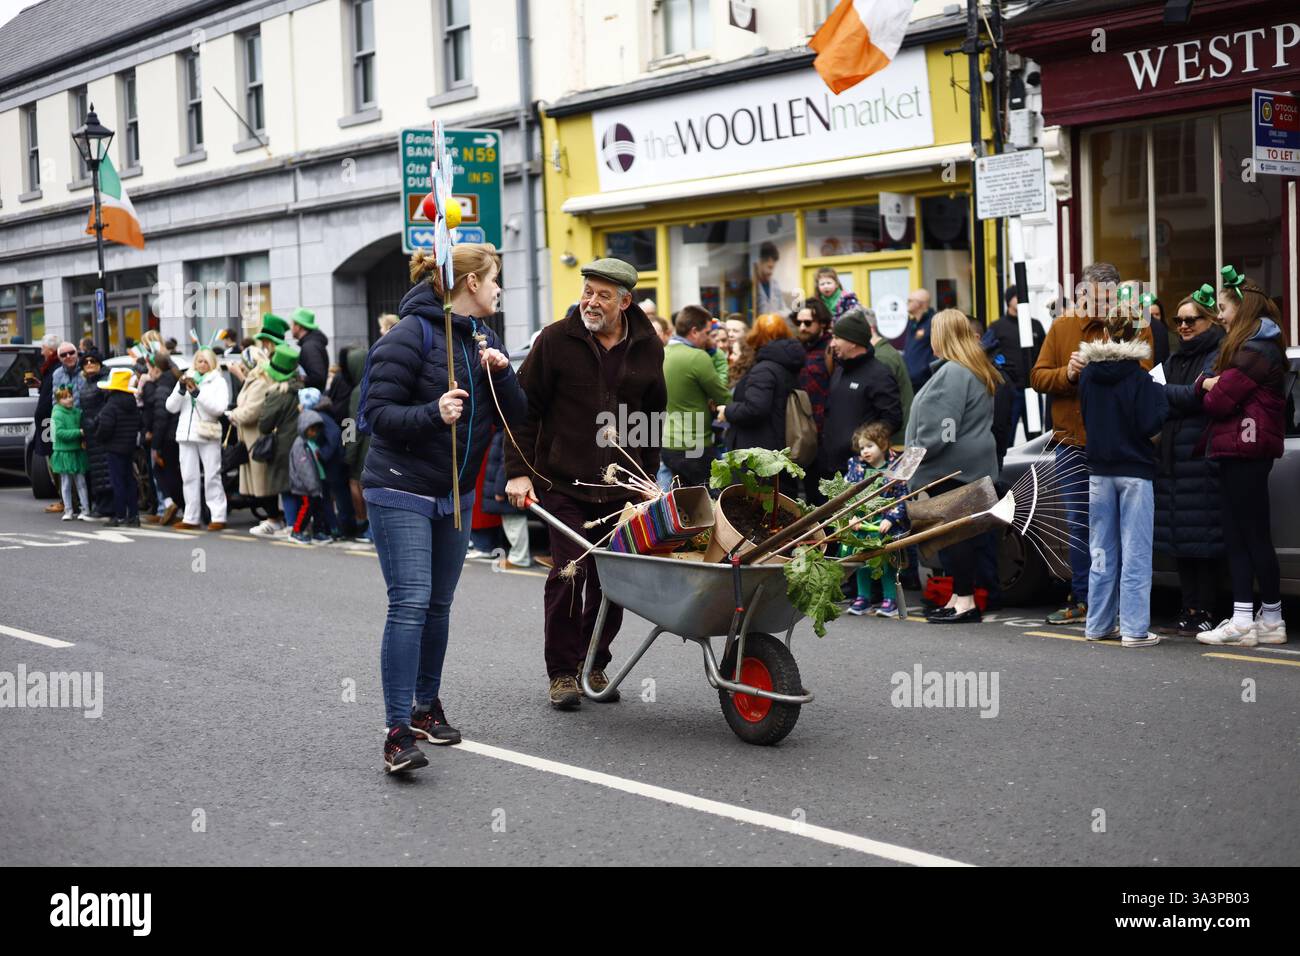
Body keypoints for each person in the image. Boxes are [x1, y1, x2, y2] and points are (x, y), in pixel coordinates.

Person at [363, 243, 526, 772]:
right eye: (495, 278)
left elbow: (517, 416)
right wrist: (433, 413)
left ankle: (425, 708)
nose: (500, 288)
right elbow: (376, 415)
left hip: (454, 493)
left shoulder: (484, 337)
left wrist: (502, 373)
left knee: (438, 605)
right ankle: (394, 733)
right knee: (410, 602)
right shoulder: (409, 335)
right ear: (472, 283)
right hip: (400, 487)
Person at [504, 257, 666, 711]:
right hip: (562, 482)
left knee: (613, 580)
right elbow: (523, 410)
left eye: (603, 295)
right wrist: (517, 471)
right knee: (569, 573)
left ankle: (594, 661)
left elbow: (652, 417)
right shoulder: (556, 340)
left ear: (625, 302)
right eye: (588, 291)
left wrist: (647, 482)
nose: (592, 301)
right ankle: (562, 673)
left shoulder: (649, 347)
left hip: (622, 489)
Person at [1030, 261, 1153, 625]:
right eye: (1089, 298)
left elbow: (1145, 379)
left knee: (1121, 526)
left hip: (1119, 443)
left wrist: (1107, 369)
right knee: (1079, 522)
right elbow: (1037, 377)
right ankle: (1084, 598)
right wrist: (1068, 374)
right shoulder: (1063, 326)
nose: (1096, 307)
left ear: (1116, 295)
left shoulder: (1136, 325)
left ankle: (1117, 605)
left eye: (1104, 299)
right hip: (1073, 441)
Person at [1196, 269, 1288, 647]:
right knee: (1254, 535)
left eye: (1222, 307)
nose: (1219, 315)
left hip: (1242, 450)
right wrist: (1211, 381)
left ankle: (1244, 621)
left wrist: (1207, 384)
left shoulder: (1253, 351)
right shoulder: (1261, 346)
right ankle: (1268, 620)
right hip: (1248, 451)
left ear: (1240, 308)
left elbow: (1218, 400)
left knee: (1242, 537)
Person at [1078, 305, 1168, 647]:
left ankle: (1097, 624)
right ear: (1138, 334)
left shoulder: (1087, 374)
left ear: (1105, 332)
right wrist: (1160, 400)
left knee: (1100, 550)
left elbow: (1086, 418)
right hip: (1134, 471)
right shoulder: (1140, 378)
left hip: (1099, 471)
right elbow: (1149, 424)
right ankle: (1134, 629)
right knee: (1136, 551)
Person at [905, 309, 1002, 625]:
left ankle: (964, 602)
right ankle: (959, 598)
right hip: (970, 465)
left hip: (950, 468)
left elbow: (944, 428)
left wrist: (918, 452)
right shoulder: (971, 368)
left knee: (955, 539)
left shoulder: (954, 373)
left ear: (941, 336)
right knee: (963, 538)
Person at [1154, 289, 1225, 636]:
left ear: (1209, 320)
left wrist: (1186, 394)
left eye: (1190, 320)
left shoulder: (1220, 352)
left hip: (1202, 458)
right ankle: (1188, 607)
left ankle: (1206, 610)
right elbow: (1158, 395)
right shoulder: (1175, 359)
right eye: (1178, 320)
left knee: (1205, 541)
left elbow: (1207, 398)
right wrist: (1192, 391)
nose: (1182, 326)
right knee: (1181, 539)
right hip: (1172, 460)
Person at [818, 310, 903, 481]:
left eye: (837, 338)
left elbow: (893, 419)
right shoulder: (840, 369)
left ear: (853, 342)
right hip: (831, 466)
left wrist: (864, 444)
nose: (832, 344)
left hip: (861, 470)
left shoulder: (879, 375)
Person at [845, 421, 909, 619]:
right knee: (861, 562)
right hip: (863, 524)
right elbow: (847, 495)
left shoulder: (896, 469)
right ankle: (863, 597)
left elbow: (903, 497)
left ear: (882, 445)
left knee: (886, 562)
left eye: (870, 446)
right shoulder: (856, 468)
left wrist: (891, 518)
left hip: (884, 524)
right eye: (862, 447)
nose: (865, 451)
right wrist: (851, 515)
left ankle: (889, 599)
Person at [662, 304, 732, 488]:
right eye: (707, 333)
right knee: (711, 503)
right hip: (696, 445)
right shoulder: (698, 357)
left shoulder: (662, 353)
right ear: (694, 331)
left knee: (682, 507)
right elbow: (723, 397)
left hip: (668, 445)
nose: (710, 339)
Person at [719, 313, 804, 453]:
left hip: (758, 450)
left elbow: (755, 408)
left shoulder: (764, 369)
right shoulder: (784, 363)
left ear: (757, 335)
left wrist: (727, 411)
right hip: (775, 444)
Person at [166, 347, 230, 531]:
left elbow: (219, 408)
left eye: (205, 361)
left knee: (212, 475)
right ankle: (191, 517)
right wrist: (180, 390)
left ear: (212, 363)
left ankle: (218, 515)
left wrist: (197, 394)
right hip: (186, 434)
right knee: (188, 477)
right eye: (199, 360)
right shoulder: (187, 377)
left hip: (207, 433)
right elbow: (170, 407)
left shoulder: (218, 381)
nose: (201, 364)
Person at [988, 286, 1046, 441]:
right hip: (1010, 391)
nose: (1021, 298)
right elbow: (990, 355)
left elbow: (1045, 353)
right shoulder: (997, 327)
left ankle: (1035, 466)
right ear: (1008, 300)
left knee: (1035, 439)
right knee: (1006, 436)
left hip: (1033, 389)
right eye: (1017, 296)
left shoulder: (1035, 325)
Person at [258, 344, 305, 535]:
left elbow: (264, 425)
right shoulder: (301, 389)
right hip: (302, 443)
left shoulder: (277, 394)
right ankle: (302, 524)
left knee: (285, 486)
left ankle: (292, 525)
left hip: (283, 445)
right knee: (302, 486)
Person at [94, 368, 143, 527]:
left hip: (114, 448)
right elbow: (138, 424)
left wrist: (99, 438)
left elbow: (105, 428)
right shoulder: (132, 404)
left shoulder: (111, 405)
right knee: (129, 480)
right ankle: (134, 515)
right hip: (129, 447)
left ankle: (120, 515)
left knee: (117, 482)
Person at [139, 350, 182, 526]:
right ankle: (178, 508)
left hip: (167, 437)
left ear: (156, 368)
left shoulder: (162, 386)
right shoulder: (171, 380)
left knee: (164, 472)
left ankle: (172, 504)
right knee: (174, 474)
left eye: (149, 367)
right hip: (176, 435)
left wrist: (156, 446)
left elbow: (160, 418)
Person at [861, 307, 913, 444]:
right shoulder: (882, 353)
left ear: (870, 329)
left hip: (894, 441)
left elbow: (888, 407)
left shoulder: (881, 357)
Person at [483, 430, 531, 569]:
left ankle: (519, 558)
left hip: (507, 489)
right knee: (513, 523)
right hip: (508, 487)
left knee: (514, 524)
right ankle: (518, 556)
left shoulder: (507, 433)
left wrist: (499, 489)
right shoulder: (505, 432)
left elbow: (506, 464)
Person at [78, 350, 114, 518]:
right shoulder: (87, 383)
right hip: (91, 434)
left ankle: (108, 506)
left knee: (105, 470)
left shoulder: (104, 381)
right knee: (97, 471)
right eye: (86, 362)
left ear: (100, 363)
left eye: (93, 361)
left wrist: (98, 423)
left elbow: (109, 406)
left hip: (103, 431)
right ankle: (101, 505)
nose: (89, 364)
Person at [288, 408, 330, 544]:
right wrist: (312, 487)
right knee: (306, 509)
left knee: (318, 509)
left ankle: (318, 532)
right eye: (311, 429)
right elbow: (304, 469)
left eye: (316, 430)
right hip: (306, 486)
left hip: (315, 485)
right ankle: (296, 531)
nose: (314, 432)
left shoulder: (310, 442)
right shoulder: (300, 444)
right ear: (304, 428)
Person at [50, 387, 92, 521]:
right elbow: (59, 433)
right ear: (58, 400)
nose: (68, 399)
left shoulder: (77, 412)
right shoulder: (57, 414)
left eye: (69, 396)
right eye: (64, 397)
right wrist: (79, 433)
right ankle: (68, 510)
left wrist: (82, 438)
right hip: (64, 452)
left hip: (76, 451)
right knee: (66, 482)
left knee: (81, 481)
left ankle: (85, 509)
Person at [902, 288, 936, 391]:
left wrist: (925, 370)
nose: (907, 303)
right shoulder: (912, 323)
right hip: (910, 382)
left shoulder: (934, 322)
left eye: (910, 301)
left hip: (926, 383)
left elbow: (940, 350)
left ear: (920, 304)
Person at [291, 307, 330, 391]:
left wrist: (298, 379)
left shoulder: (310, 347)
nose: (291, 328)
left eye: (293, 324)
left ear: (298, 326)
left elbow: (318, 377)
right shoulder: (311, 344)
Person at [753, 241, 785, 315]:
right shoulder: (753, 286)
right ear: (760, 262)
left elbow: (783, 308)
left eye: (773, 268)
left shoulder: (775, 284)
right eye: (769, 267)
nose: (771, 272)